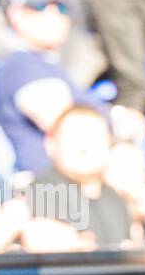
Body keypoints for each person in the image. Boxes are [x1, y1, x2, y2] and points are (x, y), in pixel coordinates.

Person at [0, 0, 91, 174]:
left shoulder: (51, 64)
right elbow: (77, 132)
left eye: (62, 8)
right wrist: (115, 122)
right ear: (15, 14)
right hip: (45, 193)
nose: (53, 16)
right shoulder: (20, 66)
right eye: (40, 7)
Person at [20, 105, 131, 251]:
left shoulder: (115, 196)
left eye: (93, 138)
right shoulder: (42, 191)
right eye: (74, 138)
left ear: (109, 144)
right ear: (51, 144)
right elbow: (40, 239)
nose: (84, 148)